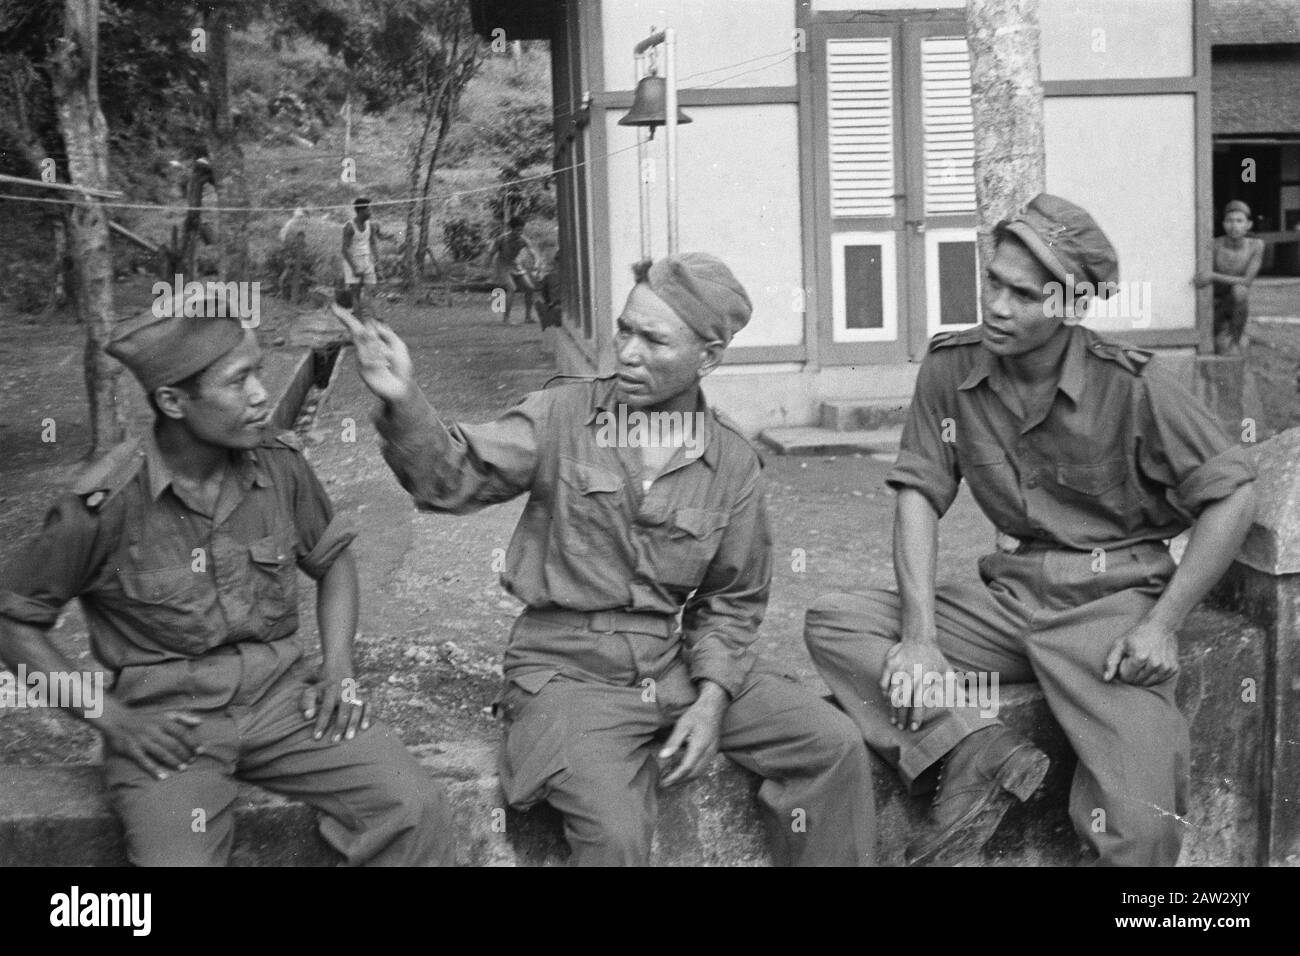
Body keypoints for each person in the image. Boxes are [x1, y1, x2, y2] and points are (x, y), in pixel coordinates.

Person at [332, 252, 876, 866]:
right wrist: (401, 397)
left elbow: (733, 599)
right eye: (624, 328)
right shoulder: (563, 415)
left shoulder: (731, 462)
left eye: (652, 339)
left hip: (671, 666)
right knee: (614, 836)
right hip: (567, 674)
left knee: (831, 744)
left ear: (710, 356)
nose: (628, 351)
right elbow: (448, 479)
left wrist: (712, 699)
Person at [803, 194, 1257, 867]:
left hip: (1109, 613)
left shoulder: (1133, 386)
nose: (997, 306)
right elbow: (920, 494)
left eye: (1024, 294)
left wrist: (1164, 621)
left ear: (1071, 306)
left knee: (1141, 829)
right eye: (993, 280)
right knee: (837, 621)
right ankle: (972, 749)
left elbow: (1234, 491)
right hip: (1008, 600)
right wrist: (922, 637)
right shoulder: (952, 370)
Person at [0, 309, 454, 867]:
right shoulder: (104, 504)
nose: (262, 395)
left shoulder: (279, 464)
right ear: (172, 402)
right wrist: (113, 719)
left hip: (287, 704)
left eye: (259, 373)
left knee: (414, 807)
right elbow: (14, 621)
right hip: (172, 727)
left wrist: (338, 667)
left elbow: (333, 561)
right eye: (239, 381)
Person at [1195, 200, 1265, 355]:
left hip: (1235, 304)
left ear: (1249, 224)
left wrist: (1213, 275)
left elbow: (1247, 281)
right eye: (1230, 221)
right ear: (1224, 224)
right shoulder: (1214, 244)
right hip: (1214, 305)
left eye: (1239, 221)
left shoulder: (1256, 245)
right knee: (1212, 343)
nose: (1234, 226)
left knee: (1240, 290)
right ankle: (1220, 333)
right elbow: (1201, 279)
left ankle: (1236, 339)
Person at [487, 216, 539, 325]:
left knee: (530, 288)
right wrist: (488, 267)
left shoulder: (523, 240)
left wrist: (536, 263)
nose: (519, 232)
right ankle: (506, 319)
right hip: (502, 266)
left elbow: (533, 252)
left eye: (521, 230)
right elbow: (491, 253)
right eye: (517, 230)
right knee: (512, 288)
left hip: (515, 265)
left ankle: (528, 317)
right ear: (511, 228)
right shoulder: (501, 239)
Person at [342, 197, 380, 321]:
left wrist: (377, 261)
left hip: (367, 260)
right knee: (356, 294)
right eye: (368, 210)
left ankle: (375, 320)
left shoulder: (371, 225)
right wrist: (354, 268)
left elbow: (373, 243)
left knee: (372, 290)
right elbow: (344, 250)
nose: (371, 212)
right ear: (361, 211)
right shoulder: (349, 227)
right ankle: (359, 322)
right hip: (353, 261)